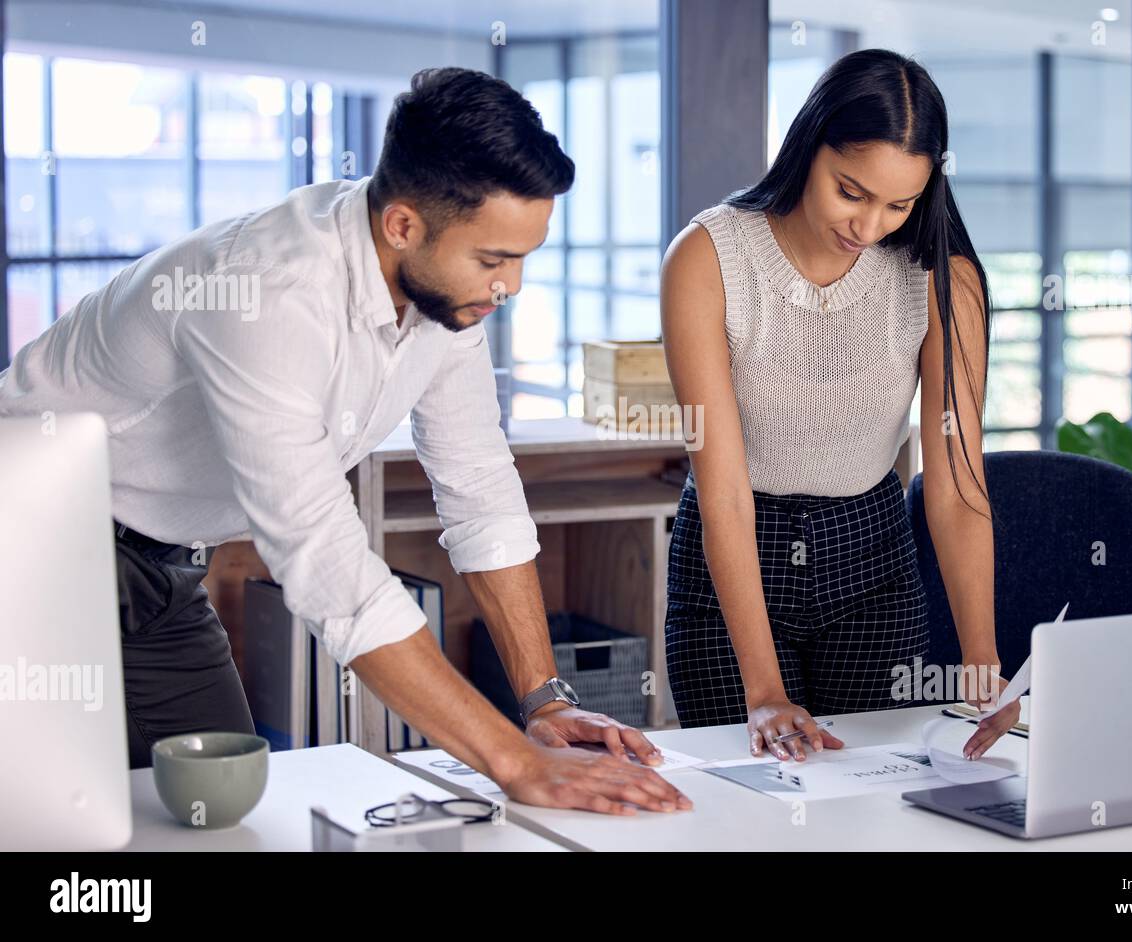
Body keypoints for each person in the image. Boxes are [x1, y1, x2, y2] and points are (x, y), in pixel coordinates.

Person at [0, 67, 690, 817]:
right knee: (46, 815)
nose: (510, 287)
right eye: (493, 260)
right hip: (29, 546)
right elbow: (325, 561)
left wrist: (543, 705)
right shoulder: (267, 291)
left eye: (523, 258)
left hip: (162, 571)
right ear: (403, 225)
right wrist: (514, 764)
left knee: (215, 811)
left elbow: (480, 490)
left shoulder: (443, 299)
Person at [659, 49, 1016, 762]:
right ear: (807, 144)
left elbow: (955, 485)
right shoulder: (707, 257)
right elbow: (723, 489)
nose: (870, 225)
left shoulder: (944, 278)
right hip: (733, 555)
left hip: (872, 560)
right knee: (750, 803)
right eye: (850, 192)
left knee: (870, 796)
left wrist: (982, 663)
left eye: (900, 204)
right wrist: (763, 691)